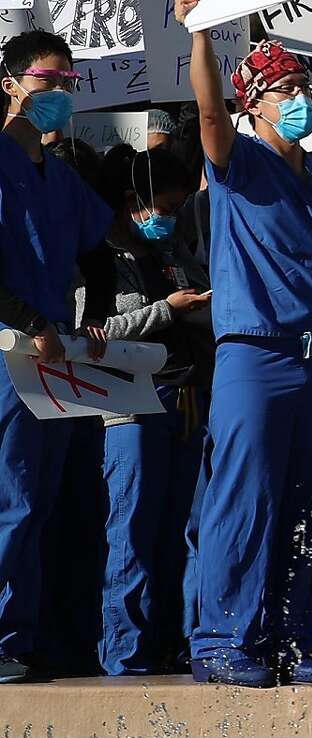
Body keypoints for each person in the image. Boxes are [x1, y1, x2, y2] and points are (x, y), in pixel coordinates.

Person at [175, 0, 312, 687]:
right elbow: (205, 112)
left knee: (309, 503)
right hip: (254, 356)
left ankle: (286, 639)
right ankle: (224, 641)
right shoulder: (236, 161)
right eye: (284, 88)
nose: (299, 97)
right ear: (253, 103)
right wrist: (201, 33)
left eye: (303, 85)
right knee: (244, 498)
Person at [0, 30, 114, 684]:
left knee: (46, 500)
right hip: (12, 352)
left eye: (69, 85)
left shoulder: (63, 178)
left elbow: (97, 249)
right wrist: (35, 321)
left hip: (49, 362)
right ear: (12, 85)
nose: (59, 96)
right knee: (12, 497)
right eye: (47, 82)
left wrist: (93, 316)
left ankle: (30, 636)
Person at [87, 146, 212, 676]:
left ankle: (176, 638)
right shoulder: (101, 257)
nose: (171, 217)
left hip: (184, 400)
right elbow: (92, 335)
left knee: (183, 529)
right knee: (131, 528)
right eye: (165, 206)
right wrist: (169, 309)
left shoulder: (174, 251)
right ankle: (125, 650)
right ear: (135, 202)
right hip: (132, 407)